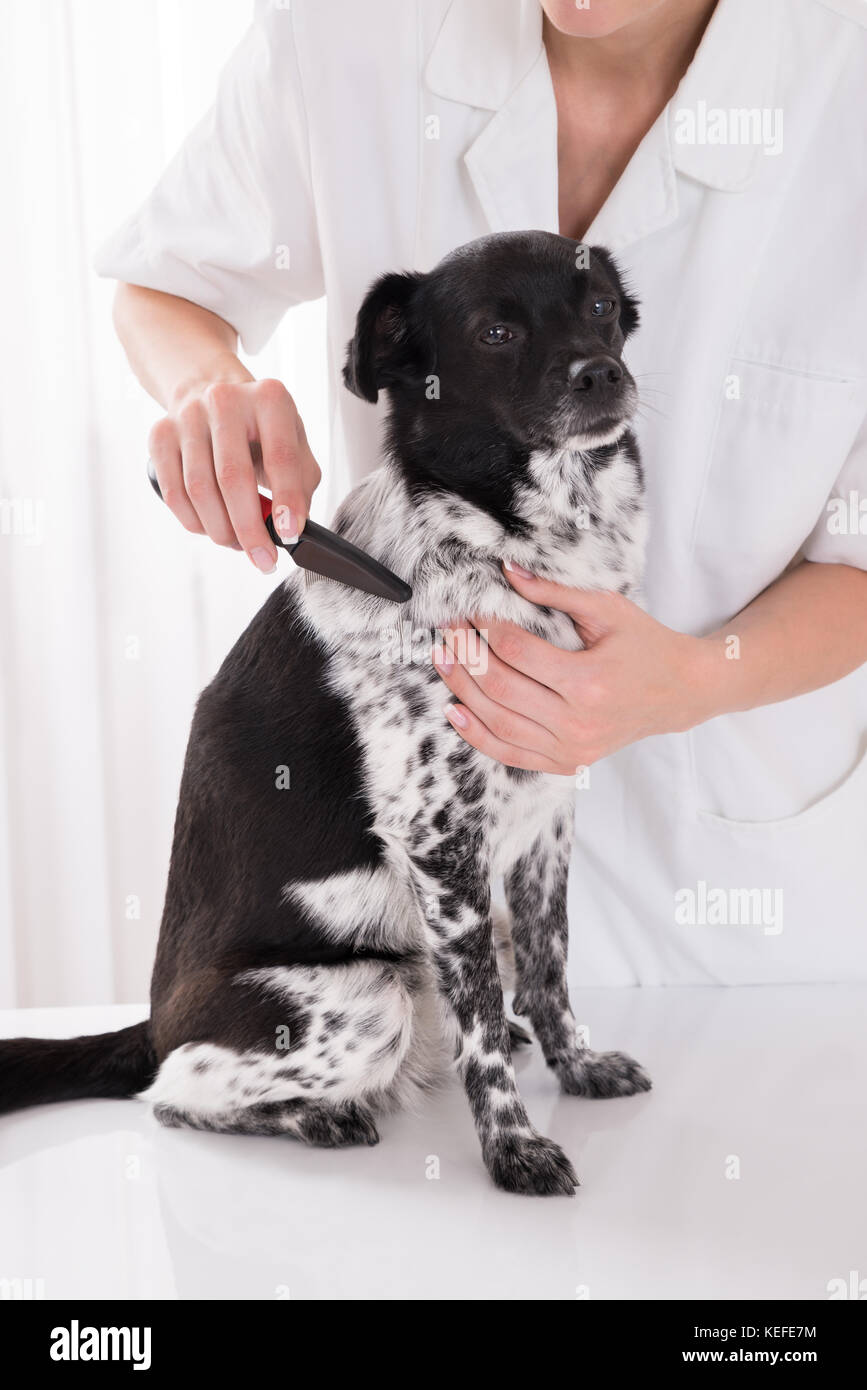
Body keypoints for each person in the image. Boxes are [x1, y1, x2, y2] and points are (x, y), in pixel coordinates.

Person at [95, 0, 867, 986]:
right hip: (396, 927)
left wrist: (691, 680)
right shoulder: (349, 33)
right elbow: (170, 282)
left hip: (729, 924)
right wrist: (207, 389)